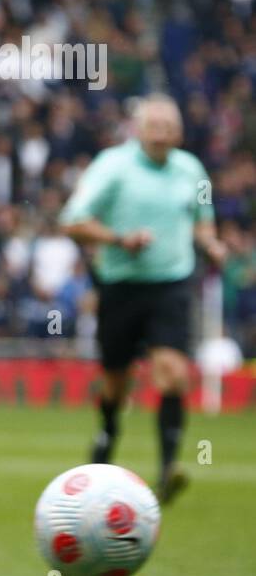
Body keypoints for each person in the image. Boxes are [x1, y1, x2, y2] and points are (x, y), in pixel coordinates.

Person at [59, 94, 226, 503]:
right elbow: (73, 222)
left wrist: (211, 244)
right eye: (155, 127)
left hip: (171, 282)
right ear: (138, 130)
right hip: (120, 284)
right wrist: (119, 239)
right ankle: (104, 443)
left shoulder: (192, 171)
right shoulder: (111, 167)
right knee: (117, 382)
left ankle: (168, 468)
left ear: (180, 132)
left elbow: (202, 220)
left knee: (173, 372)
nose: (163, 134)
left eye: (170, 128)